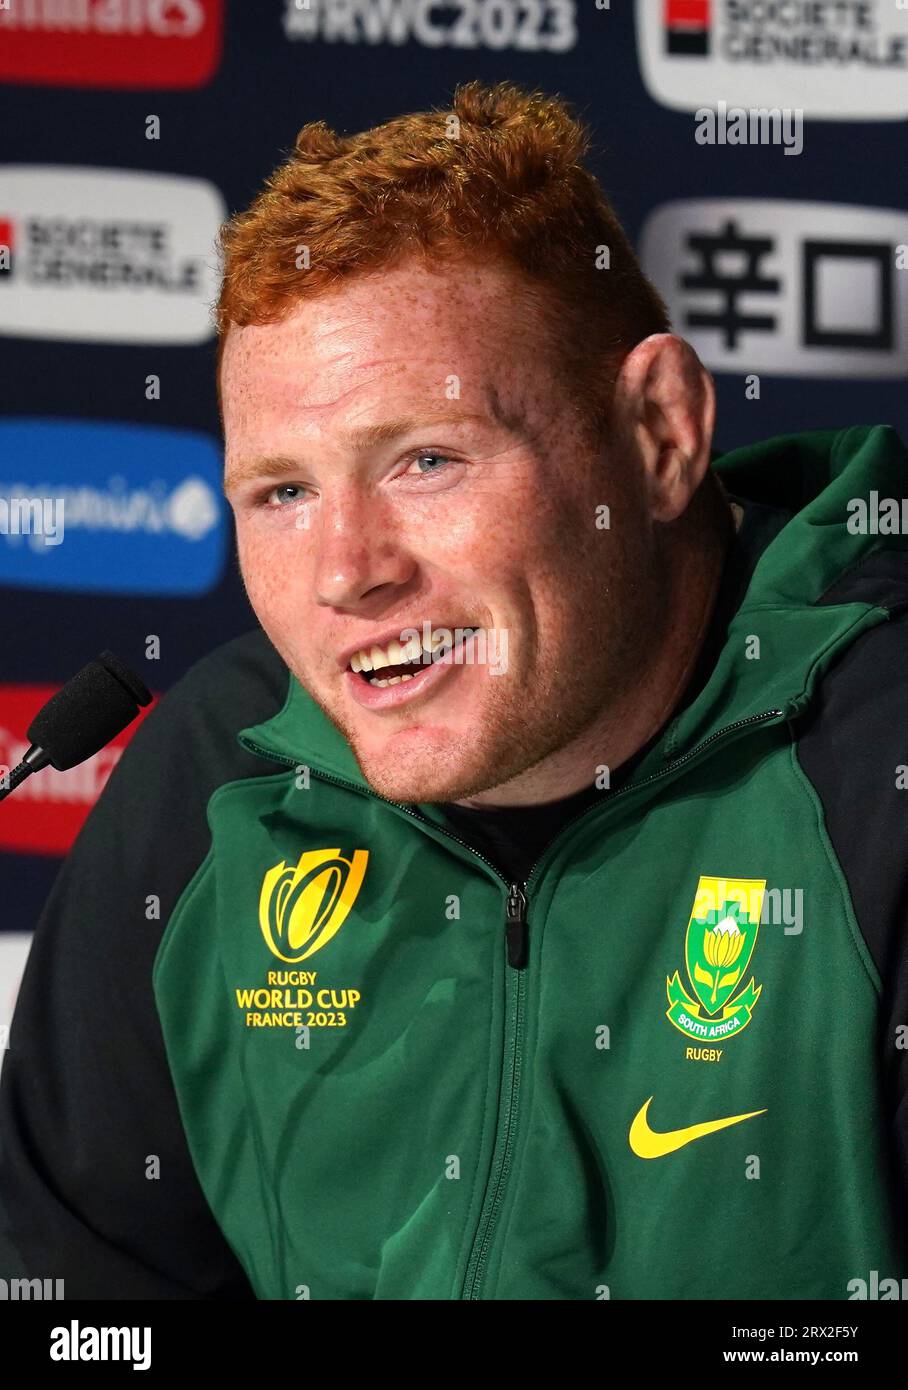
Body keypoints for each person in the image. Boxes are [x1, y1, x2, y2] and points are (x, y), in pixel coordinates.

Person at [1, 79, 907, 1301]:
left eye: (426, 460)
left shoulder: (876, 763)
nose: (345, 574)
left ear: (656, 435)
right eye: (282, 492)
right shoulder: (218, 777)